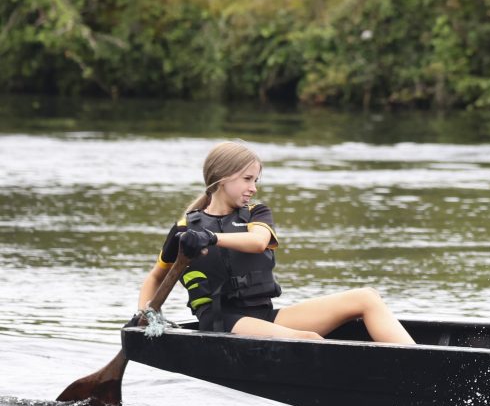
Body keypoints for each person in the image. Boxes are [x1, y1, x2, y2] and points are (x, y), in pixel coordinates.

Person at [133, 141, 415, 344]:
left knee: (366, 297)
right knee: (308, 340)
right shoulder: (184, 230)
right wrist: (144, 314)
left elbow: (258, 242)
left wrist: (212, 237)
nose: (253, 187)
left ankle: (420, 365)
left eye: (255, 180)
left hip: (265, 315)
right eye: (247, 179)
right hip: (222, 321)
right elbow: (157, 276)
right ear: (221, 179)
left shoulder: (257, 213)